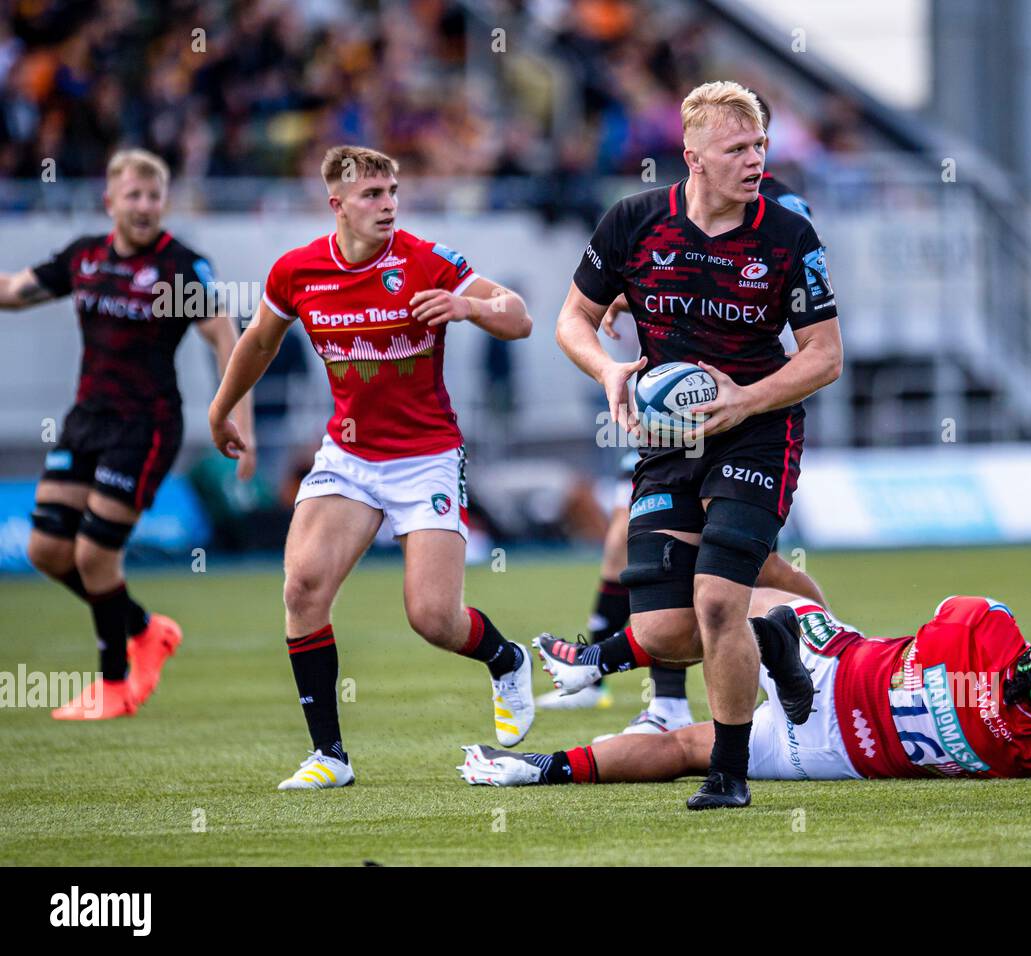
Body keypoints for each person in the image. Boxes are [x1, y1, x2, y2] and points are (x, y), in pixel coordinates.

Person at [549, 81, 842, 809]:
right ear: (694, 158)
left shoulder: (788, 235)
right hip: (667, 440)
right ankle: (778, 643)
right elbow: (571, 320)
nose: (755, 159)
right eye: (737, 148)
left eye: (760, 146)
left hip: (760, 430)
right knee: (662, 628)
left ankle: (729, 774)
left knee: (715, 601)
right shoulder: (633, 222)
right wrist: (610, 369)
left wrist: (745, 398)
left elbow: (824, 355)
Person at [207, 145, 535, 790]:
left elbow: (519, 318)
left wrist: (470, 307)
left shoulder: (426, 260)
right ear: (337, 205)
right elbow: (259, 341)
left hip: (427, 457)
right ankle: (329, 755)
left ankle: (506, 659)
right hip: (349, 458)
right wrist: (222, 410)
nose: (388, 205)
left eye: (392, 192)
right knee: (302, 588)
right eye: (372, 195)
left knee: (432, 618)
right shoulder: (297, 272)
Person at [0, 148, 253, 720]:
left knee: (93, 554)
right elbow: (16, 291)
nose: (144, 206)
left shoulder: (181, 266)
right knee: (46, 550)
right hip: (86, 420)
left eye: (154, 196)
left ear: (164, 203)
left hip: (147, 425)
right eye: (133, 195)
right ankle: (146, 629)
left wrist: (236, 416)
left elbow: (224, 334)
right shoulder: (84, 257)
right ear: (109, 200)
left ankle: (114, 685)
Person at [459, 591, 1031, 788]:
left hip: (841, 664)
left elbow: (953, 611)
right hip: (834, 753)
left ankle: (597, 659)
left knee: (734, 591)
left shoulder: (985, 628)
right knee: (689, 747)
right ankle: (538, 770)